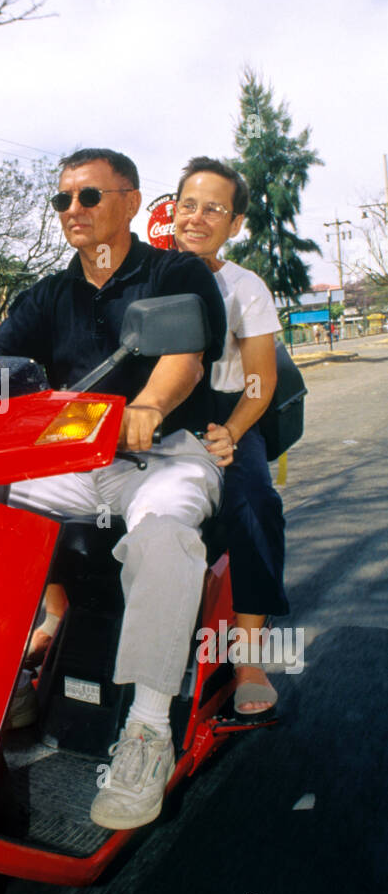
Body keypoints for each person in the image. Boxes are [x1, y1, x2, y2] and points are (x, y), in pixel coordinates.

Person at [0, 147, 227, 830]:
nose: (72, 212)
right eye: (62, 201)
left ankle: (146, 731)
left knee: (168, 535)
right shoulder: (48, 294)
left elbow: (183, 355)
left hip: (161, 454)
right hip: (69, 463)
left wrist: (146, 406)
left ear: (129, 199)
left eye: (88, 197)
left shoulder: (173, 272)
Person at [173, 157, 289, 717]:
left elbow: (260, 380)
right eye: (188, 204)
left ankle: (245, 652)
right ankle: (55, 623)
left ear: (236, 223)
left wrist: (232, 433)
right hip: (151, 412)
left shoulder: (246, 286)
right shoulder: (139, 273)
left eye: (213, 208)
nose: (197, 217)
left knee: (254, 502)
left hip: (225, 410)